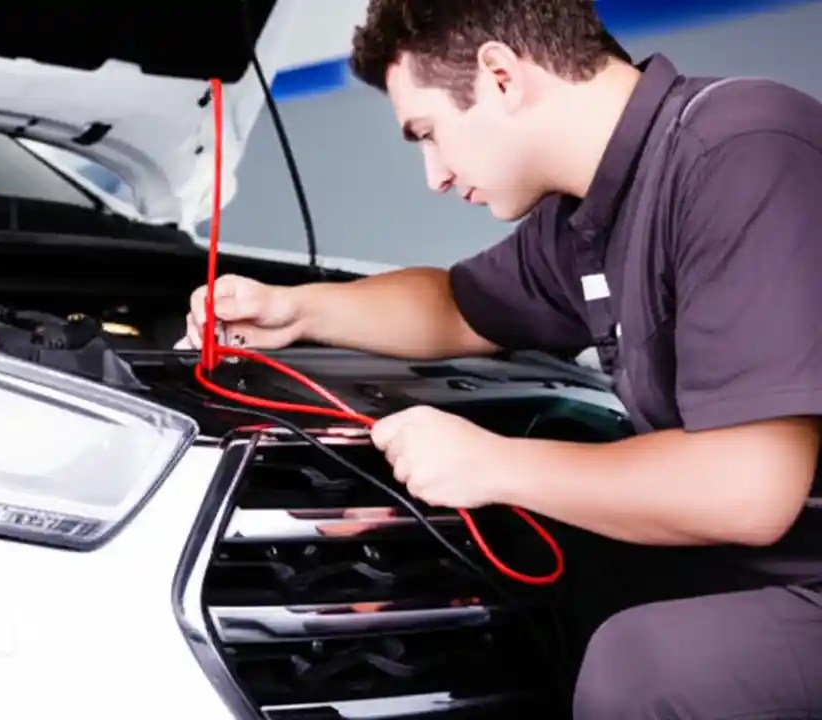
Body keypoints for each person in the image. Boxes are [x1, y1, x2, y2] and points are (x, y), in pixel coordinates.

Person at [177, 1, 822, 718]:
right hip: (769, 560)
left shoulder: (741, 152)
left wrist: (494, 463)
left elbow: (748, 488)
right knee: (522, 570)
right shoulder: (590, 214)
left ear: (501, 76)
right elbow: (459, 308)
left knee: (648, 670)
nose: (434, 175)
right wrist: (298, 310)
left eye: (428, 133)